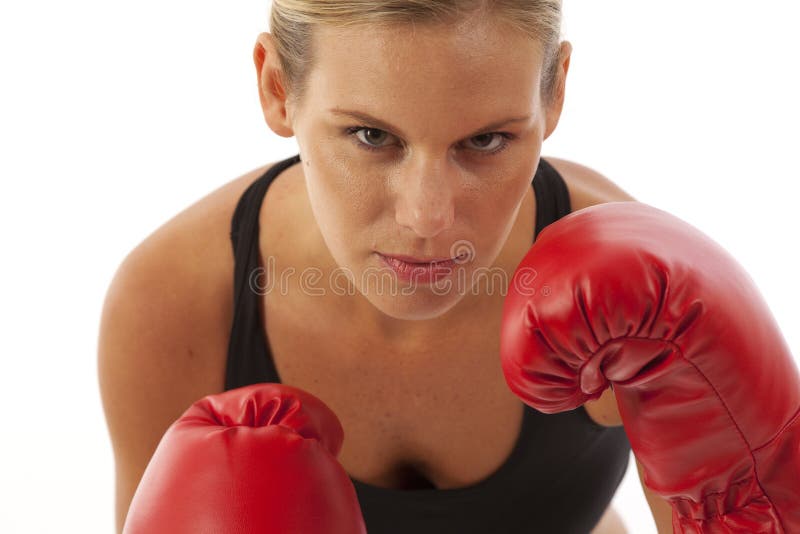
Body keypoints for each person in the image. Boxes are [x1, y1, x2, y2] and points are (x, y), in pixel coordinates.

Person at [98, 1, 674, 532]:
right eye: (372, 136)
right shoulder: (174, 304)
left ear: (553, 94)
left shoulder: (636, 289)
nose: (427, 216)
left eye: (487, 139)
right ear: (277, 86)